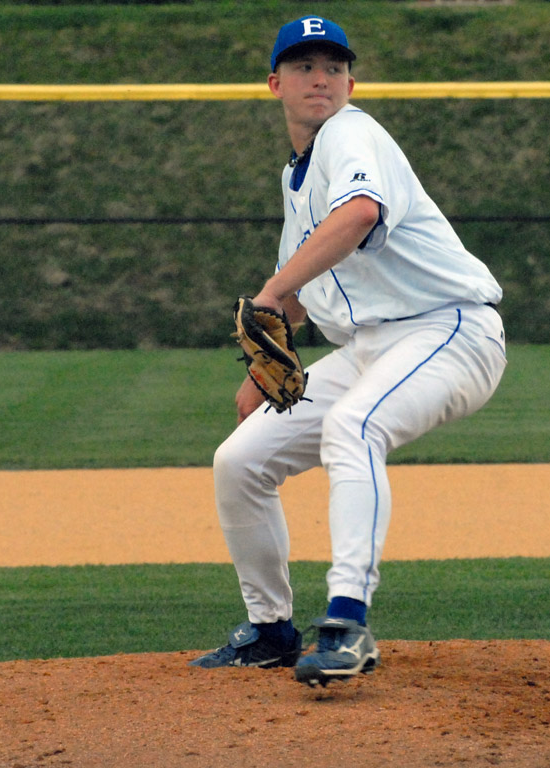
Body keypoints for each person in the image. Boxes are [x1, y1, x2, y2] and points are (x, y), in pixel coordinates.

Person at [190, 15, 507, 687]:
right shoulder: (297, 178)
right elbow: (299, 294)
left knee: (353, 425)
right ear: (275, 83)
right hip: (371, 347)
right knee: (239, 460)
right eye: (304, 66)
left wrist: (273, 290)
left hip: (447, 331)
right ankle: (272, 630)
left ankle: (347, 621)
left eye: (332, 67)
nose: (320, 78)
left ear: (350, 83)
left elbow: (358, 215)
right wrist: (260, 371)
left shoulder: (350, 132)